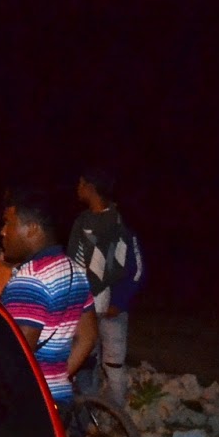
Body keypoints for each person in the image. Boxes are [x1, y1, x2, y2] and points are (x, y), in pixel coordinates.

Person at [0, 191, 97, 409]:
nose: (3, 232)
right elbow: (88, 337)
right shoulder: (74, 271)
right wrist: (57, 376)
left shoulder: (30, 280)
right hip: (59, 397)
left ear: (32, 228)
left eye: (8, 223)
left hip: (29, 404)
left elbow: (17, 355)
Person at [68, 168, 145, 407]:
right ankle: (86, 413)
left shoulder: (120, 223)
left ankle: (116, 415)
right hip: (85, 307)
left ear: (91, 187)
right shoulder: (82, 222)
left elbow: (136, 269)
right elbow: (73, 264)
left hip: (112, 308)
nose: (77, 188)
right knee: (86, 361)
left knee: (113, 363)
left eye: (81, 183)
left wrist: (119, 302)